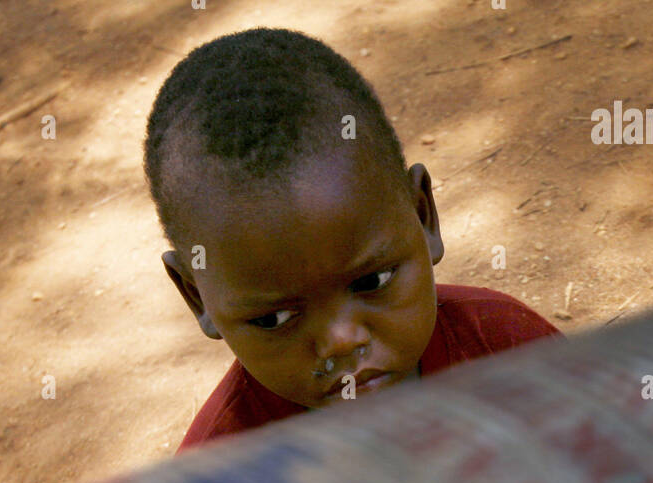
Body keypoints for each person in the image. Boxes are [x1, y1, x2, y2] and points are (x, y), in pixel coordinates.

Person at [143, 28, 561, 451]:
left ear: (423, 217)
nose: (341, 340)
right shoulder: (222, 480)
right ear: (196, 297)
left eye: (372, 282)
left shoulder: (508, 348)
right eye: (273, 319)